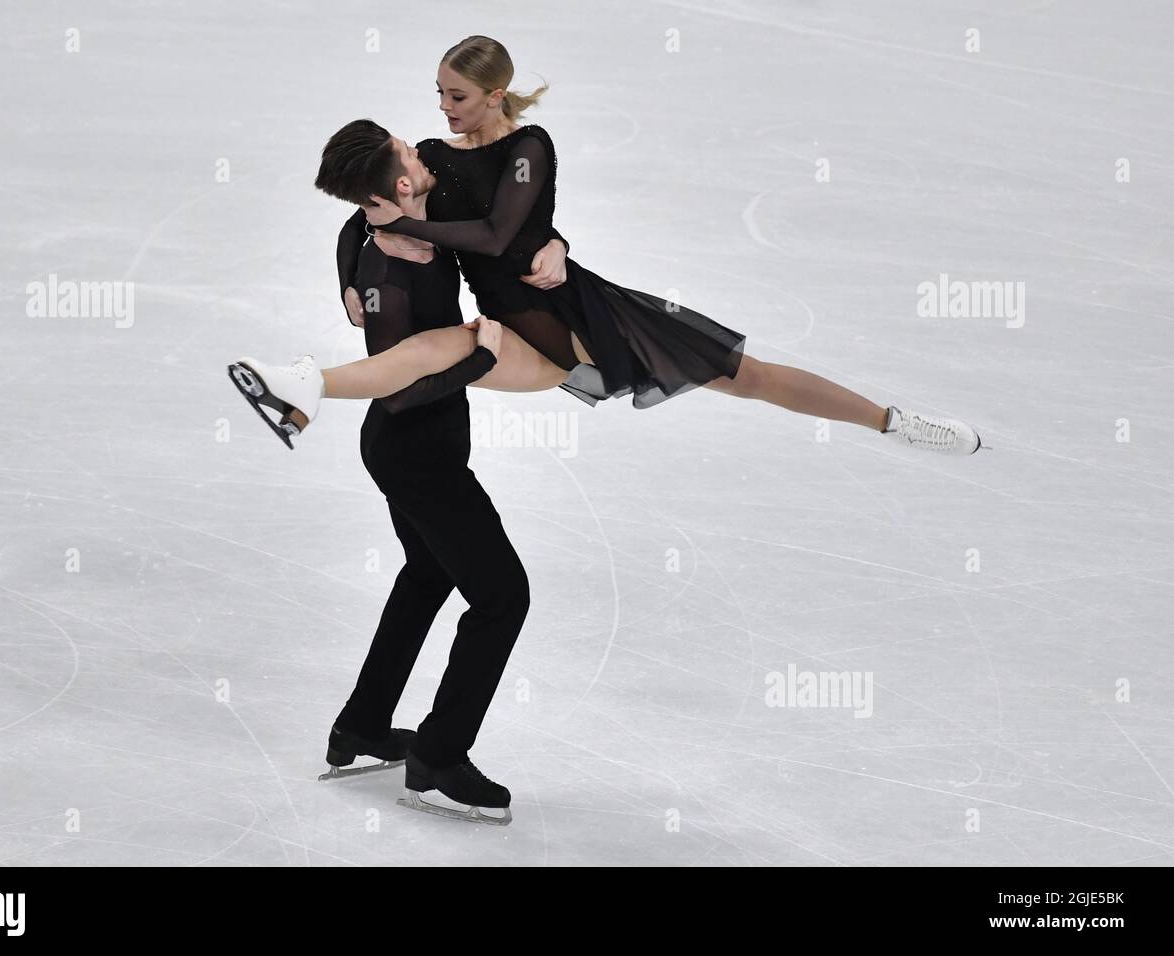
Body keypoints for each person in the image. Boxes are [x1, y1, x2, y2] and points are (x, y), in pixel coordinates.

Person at [234, 35, 981, 455]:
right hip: (517, 332)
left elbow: (498, 233)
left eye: (456, 96)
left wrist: (433, 230)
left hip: (581, 315)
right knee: (451, 345)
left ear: (495, 94)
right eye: (437, 93)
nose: (443, 109)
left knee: (744, 376)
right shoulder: (430, 155)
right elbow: (361, 213)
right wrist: (349, 266)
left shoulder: (530, 145)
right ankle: (308, 387)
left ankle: (894, 421)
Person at [234, 120, 536, 825]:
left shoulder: (384, 229)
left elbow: (352, 224)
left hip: (407, 445)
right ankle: (440, 757)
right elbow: (401, 386)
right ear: (401, 185)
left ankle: (364, 727)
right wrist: (481, 361)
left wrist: (349, 268)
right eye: (406, 149)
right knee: (501, 597)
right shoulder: (396, 272)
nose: (420, 144)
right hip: (415, 447)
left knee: (430, 573)